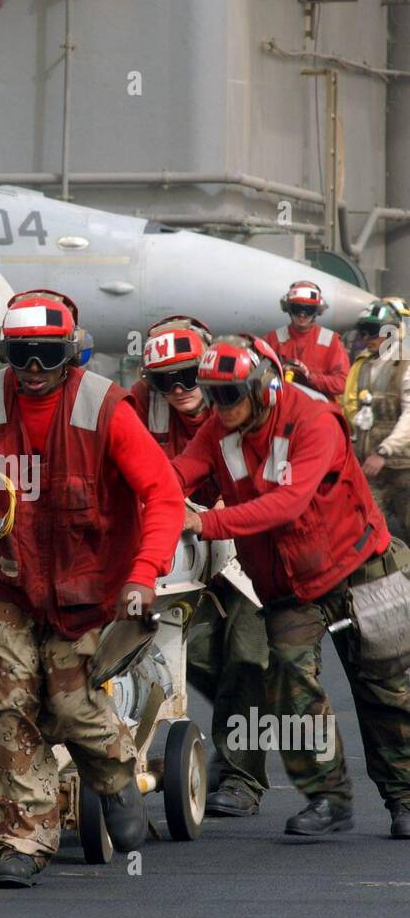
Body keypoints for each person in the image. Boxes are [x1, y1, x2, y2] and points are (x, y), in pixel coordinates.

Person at [0, 291, 184, 887]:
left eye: (47, 356)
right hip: (9, 583)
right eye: (22, 354)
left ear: (70, 355)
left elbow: (164, 494)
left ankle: (117, 774)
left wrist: (143, 573)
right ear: (7, 351)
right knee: (11, 710)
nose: (32, 369)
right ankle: (22, 843)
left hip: (85, 588)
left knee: (73, 705)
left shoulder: (106, 406)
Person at [175, 333, 410, 840]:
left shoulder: (314, 421)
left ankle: (406, 797)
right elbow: (179, 475)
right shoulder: (218, 428)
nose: (219, 407)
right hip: (290, 583)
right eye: (212, 394)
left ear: (261, 386)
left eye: (229, 394)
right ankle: (329, 799)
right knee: (288, 680)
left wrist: (204, 524)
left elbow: (287, 503)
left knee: (386, 688)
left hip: (362, 566)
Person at [129, 317, 270, 816]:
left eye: (190, 375)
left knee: (249, 661)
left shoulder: (239, 399)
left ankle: (243, 778)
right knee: (194, 661)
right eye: (168, 381)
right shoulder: (133, 405)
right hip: (177, 557)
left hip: (248, 550)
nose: (182, 389)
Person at [342, 299, 410, 545]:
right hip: (370, 469)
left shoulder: (406, 363)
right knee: (366, 534)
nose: (369, 337)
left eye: (376, 331)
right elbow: (350, 408)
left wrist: (384, 450)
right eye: (365, 330)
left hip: (403, 468)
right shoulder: (363, 366)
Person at [264, 280, 349, 399]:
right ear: (288, 309)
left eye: (308, 310)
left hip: (318, 410)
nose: (302, 315)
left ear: (316, 311)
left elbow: (341, 384)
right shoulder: (272, 340)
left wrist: (310, 377)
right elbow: (259, 378)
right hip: (284, 408)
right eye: (297, 308)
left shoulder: (331, 341)